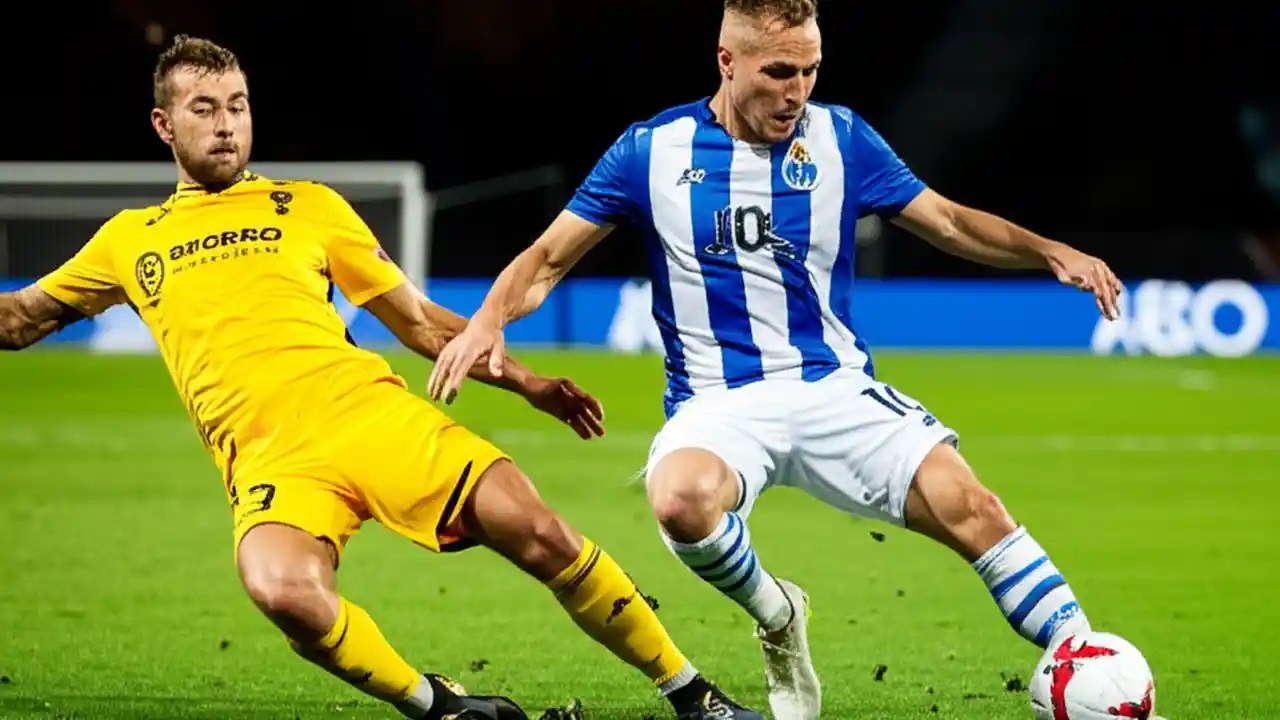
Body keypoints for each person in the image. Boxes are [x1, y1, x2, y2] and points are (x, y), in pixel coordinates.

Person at [0, 35, 763, 720]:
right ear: (165, 126)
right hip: (273, 464)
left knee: (540, 531)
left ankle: (693, 694)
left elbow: (422, 325)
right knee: (279, 589)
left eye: (238, 104)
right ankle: (442, 707)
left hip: (372, 417)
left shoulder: (308, 208)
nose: (227, 123)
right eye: (204, 109)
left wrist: (529, 384)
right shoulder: (129, 240)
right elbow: (21, 319)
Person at [427, 1, 1125, 718]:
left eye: (811, 70)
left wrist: (1049, 251)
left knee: (970, 504)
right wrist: (488, 318)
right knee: (678, 500)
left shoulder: (843, 139)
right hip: (716, 401)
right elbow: (545, 259)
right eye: (780, 71)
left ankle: (1093, 670)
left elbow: (946, 220)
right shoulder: (650, 151)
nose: (798, 92)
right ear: (727, 63)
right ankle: (778, 613)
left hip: (833, 386)